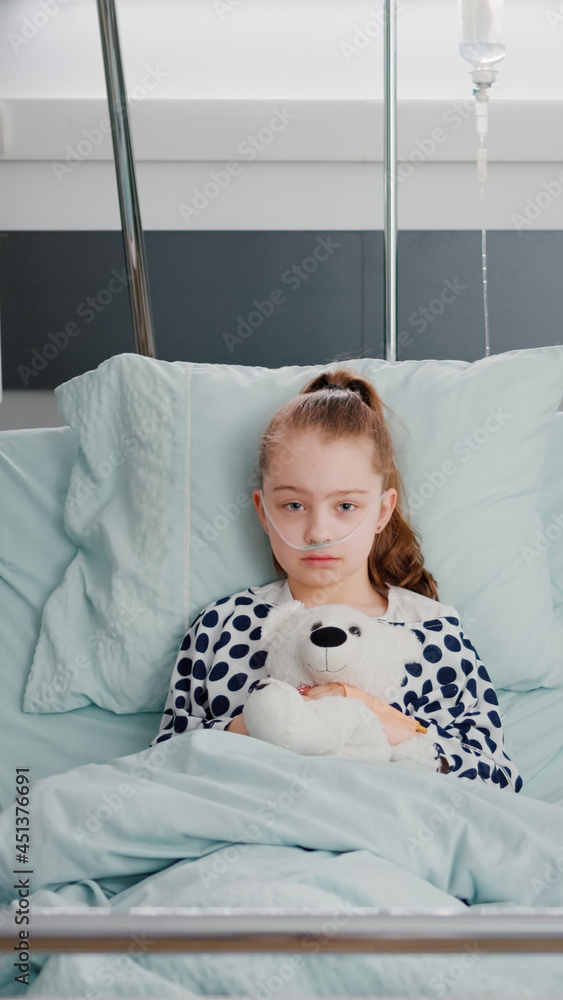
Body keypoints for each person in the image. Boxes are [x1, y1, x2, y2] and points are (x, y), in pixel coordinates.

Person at [151, 368, 522, 792]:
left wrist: (384, 722)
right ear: (262, 511)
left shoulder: (434, 632)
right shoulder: (222, 627)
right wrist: (259, 724)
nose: (319, 532)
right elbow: (160, 767)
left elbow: (501, 781)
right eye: (293, 504)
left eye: (346, 505)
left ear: (382, 511)